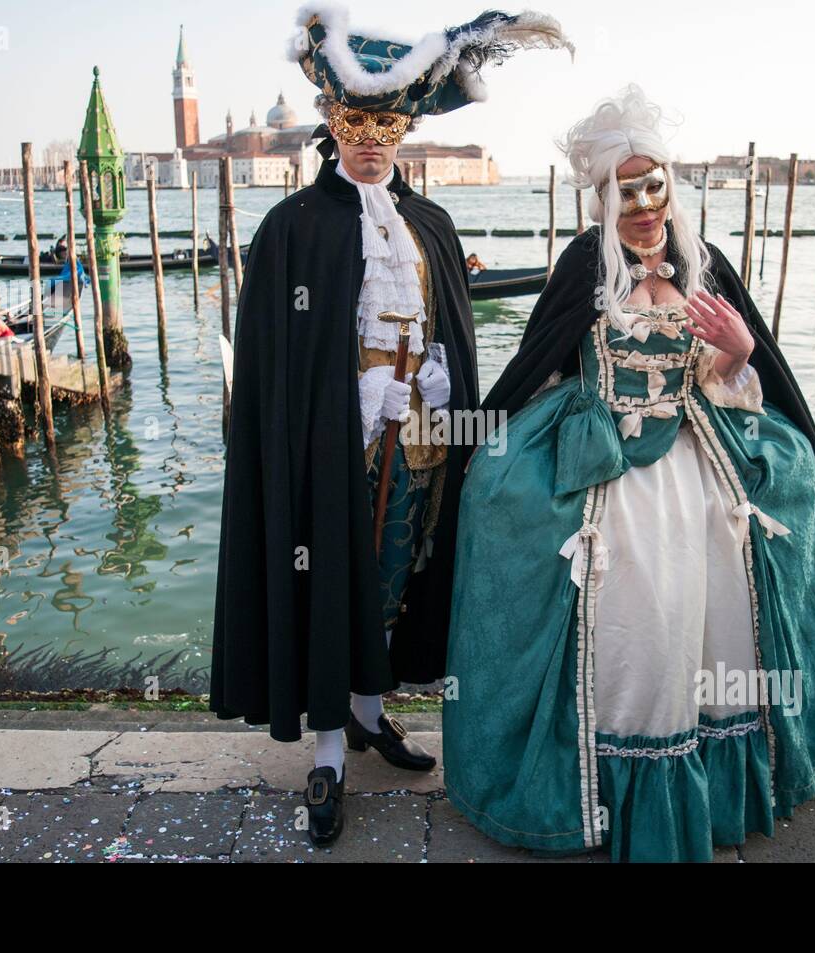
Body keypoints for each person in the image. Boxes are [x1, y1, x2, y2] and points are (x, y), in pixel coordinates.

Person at [442, 86, 815, 862]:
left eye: (653, 185)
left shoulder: (707, 264)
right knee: (625, 601)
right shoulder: (580, 269)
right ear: (601, 199)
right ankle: (597, 789)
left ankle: (715, 775)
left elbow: (726, 380)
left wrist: (738, 348)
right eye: (624, 191)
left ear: (672, 184)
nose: (642, 205)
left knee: (729, 573)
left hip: (699, 454)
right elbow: (541, 368)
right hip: (612, 462)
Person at [210, 6, 572, 847]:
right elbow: (274, 366)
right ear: (332, 125)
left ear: (404, 131)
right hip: (330, 450)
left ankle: (371, 713)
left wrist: (447, 380)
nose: (370, 140)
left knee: (398, 569)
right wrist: (337, 403)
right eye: (355, 123)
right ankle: (330, 747)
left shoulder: (432, 226)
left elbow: (449, 320)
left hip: (422, 440)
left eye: (385, 125)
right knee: (335, 573)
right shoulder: (290, 229)